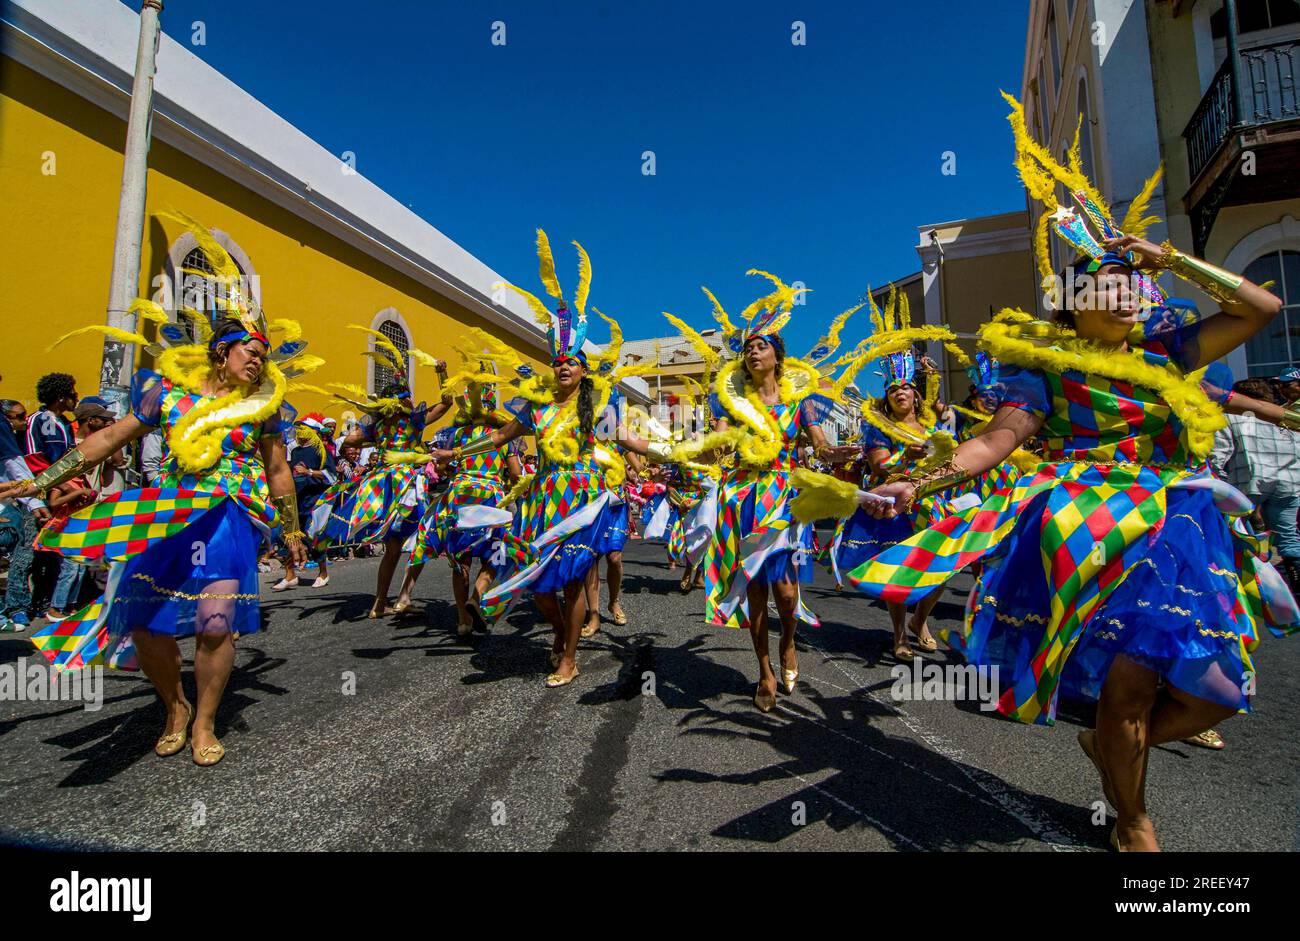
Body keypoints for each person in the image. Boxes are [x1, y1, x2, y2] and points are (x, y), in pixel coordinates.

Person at [832, 96, 1296, 850]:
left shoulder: (1167, 354)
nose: (1126, 290)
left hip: (1176, 522)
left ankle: (1111, 747)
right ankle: (1132, 815)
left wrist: (1169, 257)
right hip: (1087, 526)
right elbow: (996, 442)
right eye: (1106, 281)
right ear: (1074, 306)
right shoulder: (1046, 373)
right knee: (1130, 682)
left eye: (1130, 281)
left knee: (1219, 688)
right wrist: (926, 481)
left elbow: (1261, 307)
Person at [3, 212, 323, 767]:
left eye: (265, 353)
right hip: (166, 516)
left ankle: (203, 720)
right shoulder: (167, 398)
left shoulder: (263, 409)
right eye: (250, 349)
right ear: (221, 352)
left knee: (216, 623)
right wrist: (41, 479)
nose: (259, 359)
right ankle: (174, 704)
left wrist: (293, 527)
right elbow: (108, 439)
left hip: (228, 521)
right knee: (147, 624)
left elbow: (278, 470)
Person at [443, 230, 662, 687]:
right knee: (537, 585)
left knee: (572, 577)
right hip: (542, 497)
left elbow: (629, 442)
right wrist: (457, 449)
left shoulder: (595, 409)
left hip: (582, 500)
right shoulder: (536, 409)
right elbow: (501, 436)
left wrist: (678, 449)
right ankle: (562, 633)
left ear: (583, 370)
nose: (563, 366)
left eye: (572, 362)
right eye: (558, 361)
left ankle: (569, 657)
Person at [663, 274, 859, 711]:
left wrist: (836, 453)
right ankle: (765, 671)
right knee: (755, 591)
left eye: (761, 346)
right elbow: (716, 446)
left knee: (787, 594)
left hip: (785, 500)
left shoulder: (799, 404)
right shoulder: (731, 406)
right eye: (748, 348)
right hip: (743, 498)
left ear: (777, 356)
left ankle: (788, 643)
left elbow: (821, 448)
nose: (753, 352)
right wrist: (686, 452)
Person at [303, 327, 452, 617]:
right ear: (403, 401)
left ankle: (379, 602)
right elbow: (447, 403)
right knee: (425, 537)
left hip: (382, 484)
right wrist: (441, 374)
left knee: (393, 546)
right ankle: (404, 597)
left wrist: (373, 438)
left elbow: (349, 440)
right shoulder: (414, 420)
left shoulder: (378, 425)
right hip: (407, 483)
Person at [393, 366, 524, 635]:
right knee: (497, 550)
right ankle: (477, 594)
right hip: (491, 497)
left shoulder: (457, 435)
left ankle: (463, 620)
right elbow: (515, 473)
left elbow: (441, 469)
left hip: (458, 495)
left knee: (461, 557)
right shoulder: (502, 438)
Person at [1210, 378, 1300, 592]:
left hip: (1247, 484)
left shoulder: (1230, 417)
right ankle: (1295, 585)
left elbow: (1218, 456)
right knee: (1288, 539)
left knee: (1234, 534)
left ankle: (1243, 587)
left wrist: (1221, 487)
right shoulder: (1281, 416)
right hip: (1287, 484)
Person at [0, 398, 50, 633]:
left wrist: (32, 499)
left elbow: (14, 465)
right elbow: (13, 462)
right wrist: (34, 499)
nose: (23, 421)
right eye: (19, 417)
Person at [272, 413, 336, 590]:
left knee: (313, 536)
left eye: (303, 428)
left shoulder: (321, 451)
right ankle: (290, 575)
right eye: (298, 428)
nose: (299, 431)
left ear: (313, 432)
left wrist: (309, 473)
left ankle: (323, 573)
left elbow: (332, 476)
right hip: (297, 500)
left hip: (314, 501)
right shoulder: (296, 451)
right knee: (288, 535)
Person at [25, 372, 78, 462]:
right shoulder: (36, 421)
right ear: (61, 397)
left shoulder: (66, 424)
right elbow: (33, 457)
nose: (77, 400)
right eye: (73, 396)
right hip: (44, 475)